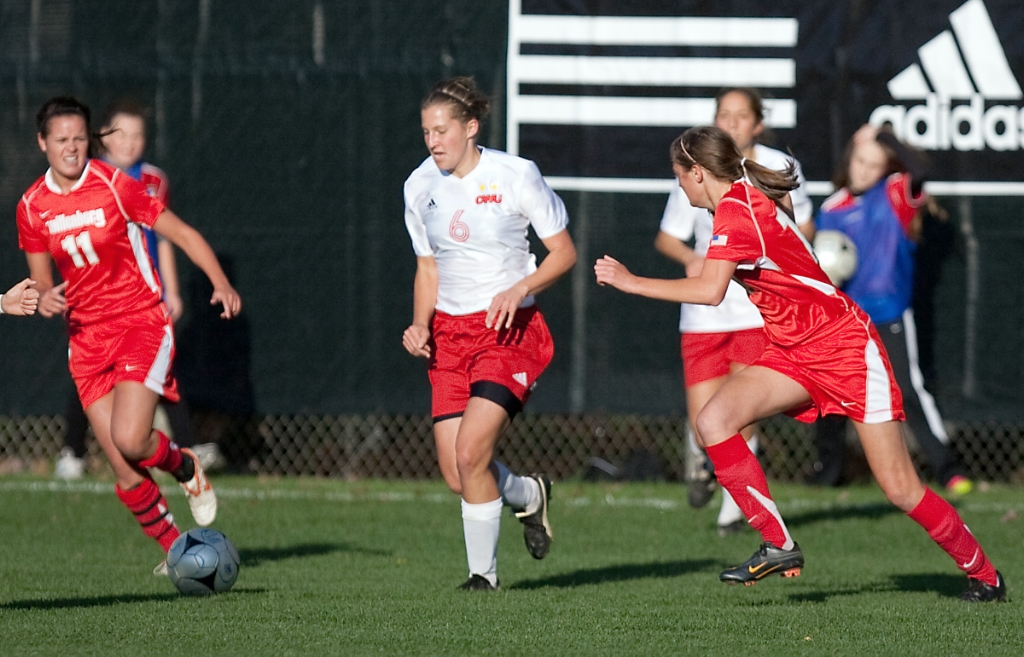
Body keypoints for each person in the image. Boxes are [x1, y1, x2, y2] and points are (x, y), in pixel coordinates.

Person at [594, 125, 1005, 602]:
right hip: (795, 349)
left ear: (699, 173)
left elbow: (709, 290)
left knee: (900, 488)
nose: (679, 185)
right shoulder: (744, 194)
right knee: (715, 419)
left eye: (679, 176)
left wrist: (632, 282)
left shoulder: (735, 212)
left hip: (845, 349)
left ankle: (986, 574)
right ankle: (778, 543)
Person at [18, 96, 241, 572]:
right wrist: (44, 298)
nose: (73, 148)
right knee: (121, 464)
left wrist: (220, 281)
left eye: (80, 138)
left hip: (139, 321)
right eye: (62, 140)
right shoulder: (32, 207)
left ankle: (185, 466)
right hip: (85, 338)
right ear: (42, 143)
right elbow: (40, 282)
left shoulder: (114, 184)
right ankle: (176, 552)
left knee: (132, 438)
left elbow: (179, 233)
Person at [402, 77, 577, 591]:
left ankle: (483, 578)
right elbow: (427, 269)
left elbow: (563, 252)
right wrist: (418, 324)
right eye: (426, 132)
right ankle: (529, 494)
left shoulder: (516, 175)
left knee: (473, 450)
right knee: (459, 473)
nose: (434, 141)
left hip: (509, 329)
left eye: (442, 130)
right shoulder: (418, 186)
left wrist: (519, 287)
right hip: (449, 336)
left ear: (470, 128)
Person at [655, 88, 813, 535]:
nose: (732, 122)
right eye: (724, 114)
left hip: (751, 310)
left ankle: (735, 509)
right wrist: (689, 258)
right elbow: (669, 237)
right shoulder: (697, 173)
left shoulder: (777, 167)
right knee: (704, 422)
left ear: (758, 124)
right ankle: (706, 465)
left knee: (740, 414)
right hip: (704, 313)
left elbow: (800, 231)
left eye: (741, 116)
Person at [54, 99, 225, 480]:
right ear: (103, 138)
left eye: (138, 135)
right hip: (96, 302)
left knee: (161, 370)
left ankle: (187, 448)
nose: (129, 142)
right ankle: (73, 451)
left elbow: (164, 238)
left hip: (142, 301)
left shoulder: (152, 182)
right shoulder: (82, 181)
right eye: (121, 134)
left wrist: (172, 291)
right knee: (89, 375)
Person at [809, 125, 971, 494]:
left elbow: (922, 173)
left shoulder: (895, 192)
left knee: (908, 390)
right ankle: (827, 472)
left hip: (890, 312)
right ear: (849, 159)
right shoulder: (831, 209)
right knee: (829, 392)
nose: (864, 170)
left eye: (874, 164)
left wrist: (885, 136)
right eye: (860, 161)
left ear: (885, 168)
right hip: (847, 318)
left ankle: (948, 470)